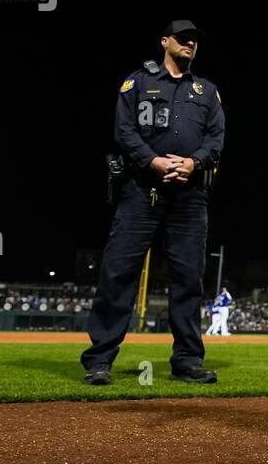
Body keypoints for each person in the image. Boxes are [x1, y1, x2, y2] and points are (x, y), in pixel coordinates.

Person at [81, 20, 225, 385]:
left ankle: (187, 360)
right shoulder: (137, 83)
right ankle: (99, 360)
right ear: (165, 42)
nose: (191, 43)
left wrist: (193, 163)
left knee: (188, 280)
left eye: (195, 40)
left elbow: (216, 137)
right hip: (140, 192)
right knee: (117, 274)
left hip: (190, 198)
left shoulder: (206, 91)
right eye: (183, 38)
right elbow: (123, 131)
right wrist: (153, 161)